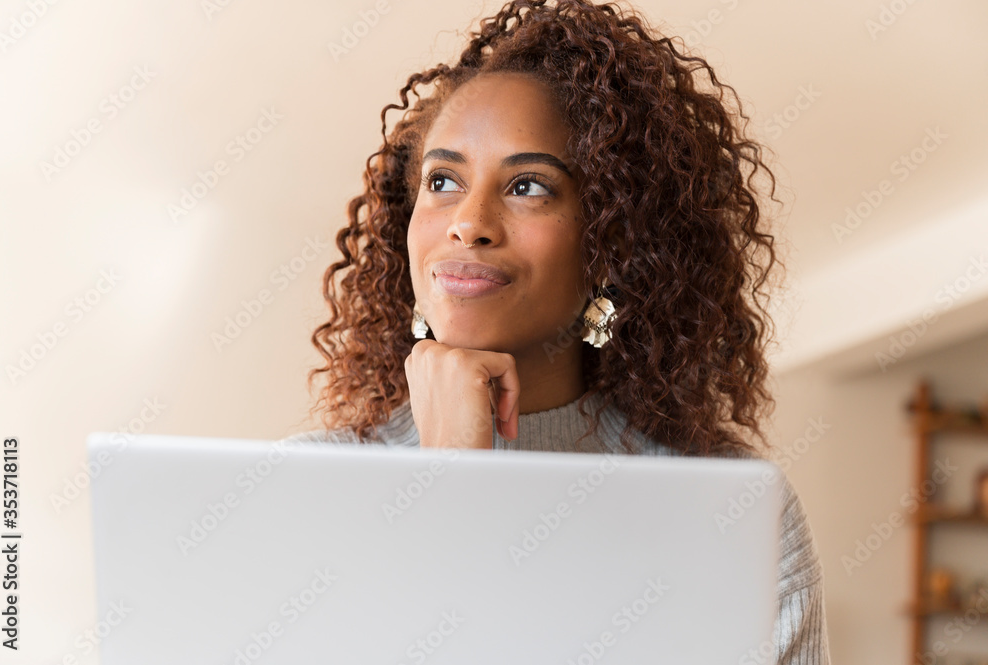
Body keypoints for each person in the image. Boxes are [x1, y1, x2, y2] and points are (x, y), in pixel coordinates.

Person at [295, 0, 830, 662]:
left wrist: (461, 476)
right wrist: (451, 468)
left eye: (528, 186)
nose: (469, 220)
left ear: (610, 240)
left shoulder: (735, 513)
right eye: (442, 180)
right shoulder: (304, 487)